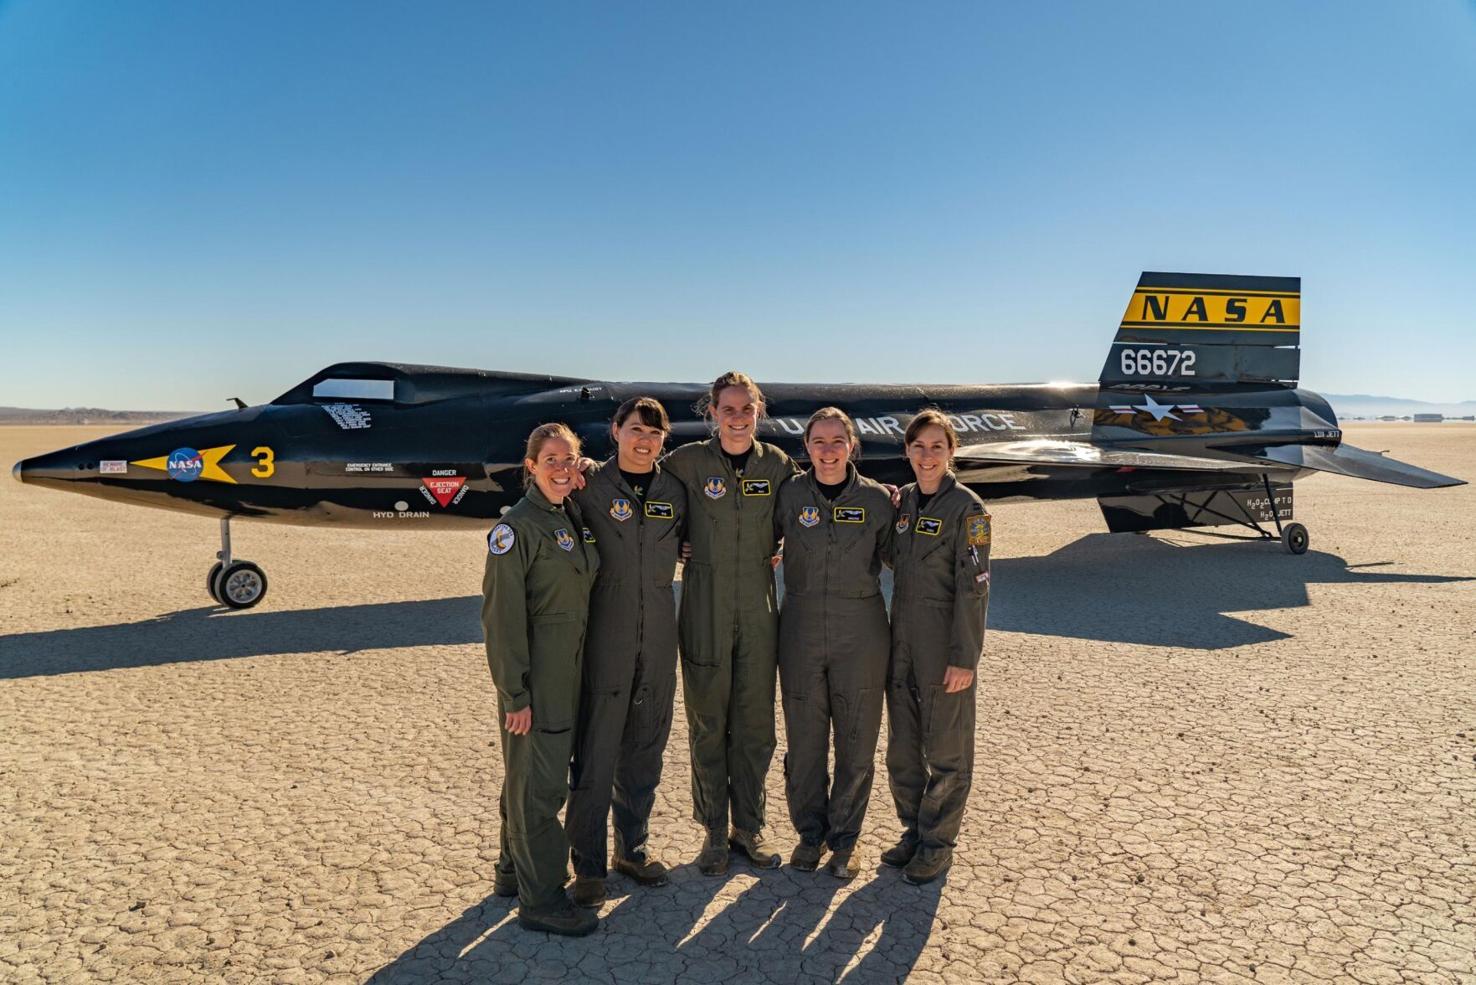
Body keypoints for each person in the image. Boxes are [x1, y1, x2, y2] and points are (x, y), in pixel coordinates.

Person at [661, 371, 796, 874]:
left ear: (758, 412)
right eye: (728, 410)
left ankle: (750, 828)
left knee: (756, 727)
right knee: (708, 725)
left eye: (747, 410)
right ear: (712, 413)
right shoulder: (685, 463)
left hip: (759, 615)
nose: (738, 419)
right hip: (704, 611)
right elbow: (645, 503)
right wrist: (672, 542)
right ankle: (714, 831)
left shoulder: (777, 465)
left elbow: (804, 514)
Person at [565, 397, 688, 908]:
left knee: (645, 750)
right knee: (595, 754)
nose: (644, 441)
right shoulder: (588, 484)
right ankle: (588, 866)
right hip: (605, 634)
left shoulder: (674, 491)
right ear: (615, 430)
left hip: (659, 634)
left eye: (655, 434)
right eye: (636, 430)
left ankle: (632, 850)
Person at [482, 422, 601, 936]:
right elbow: (502, 621)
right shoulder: (517, 527)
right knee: (540, 790)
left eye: (569, 459)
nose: (560, 468)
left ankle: (512, 872)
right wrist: (515, 695)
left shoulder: (566, 514)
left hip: (568, 671)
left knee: (526, 778)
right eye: (549, 459)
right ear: (530, 466)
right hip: (538, 683)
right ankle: (543, 899)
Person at [773, 407, 895, 879]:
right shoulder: (789, 495)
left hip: (861, 628)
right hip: (800, 627)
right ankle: (809, 834)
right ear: (806, 447)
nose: (827, 450)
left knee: (856, 740)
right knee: (804, 741)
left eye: (836, 441)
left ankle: (845, 839)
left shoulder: (879, 500)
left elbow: (902, 557)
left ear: (852, 446)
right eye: (818, 441)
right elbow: (750, 538)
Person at [884, 409, 991, 885]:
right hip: (901, 643)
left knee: (947, 752)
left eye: (937, 447)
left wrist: (964, 659)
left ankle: (938, 845)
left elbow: (976, 588)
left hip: (944, 649)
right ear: (906, 451)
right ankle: (914, 831)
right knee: (904, 751)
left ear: (952, 452)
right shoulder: (903, 502)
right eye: (919, 447)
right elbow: (890, 555)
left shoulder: (969, 510)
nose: (927, 456)